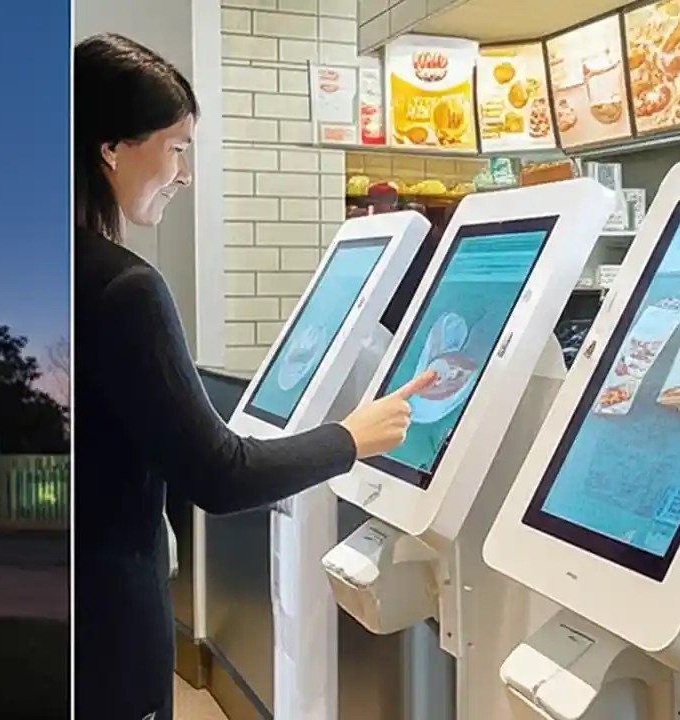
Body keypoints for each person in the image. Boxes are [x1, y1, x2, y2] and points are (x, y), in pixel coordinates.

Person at [73, 33, 437, 720]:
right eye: (176, 148)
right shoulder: (124, 289)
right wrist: (353, 436)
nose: (184, 174)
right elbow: (220, 475)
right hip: (109, 640)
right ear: (112, 148)